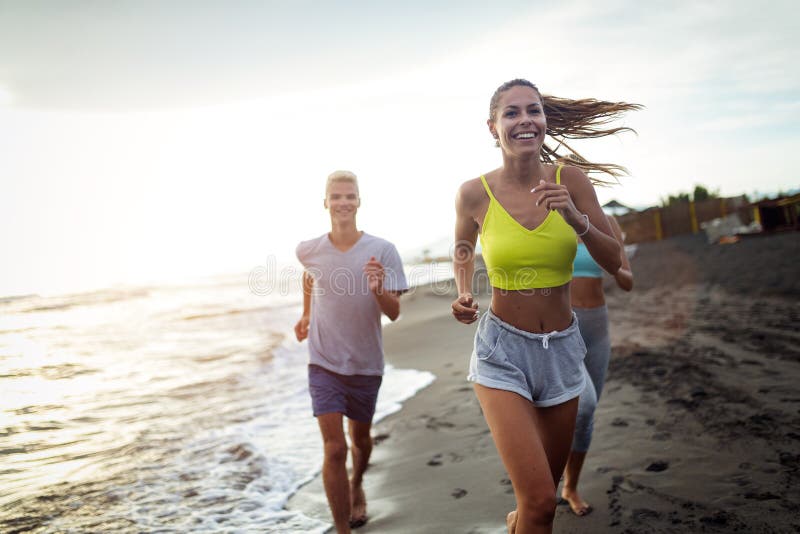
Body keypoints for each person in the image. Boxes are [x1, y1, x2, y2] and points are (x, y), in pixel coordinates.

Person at [451, 78, 639, 533]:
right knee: (537, 502)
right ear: (493, 128)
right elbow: (462, 248)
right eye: (511, 113)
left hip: (563, 351)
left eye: (533, 110)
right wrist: (462, 291)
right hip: (502, 351)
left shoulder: (571, 180)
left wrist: (577, 220)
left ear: (544, 121)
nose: (524, 120)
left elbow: (615, 261)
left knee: (540, 505)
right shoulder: (473, 193)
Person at [295, 170, 408, 533]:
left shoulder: (382, 250)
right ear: (325, 202)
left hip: (365, 364)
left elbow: (393, 311)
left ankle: (357, 483)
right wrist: (306, 314)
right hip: (323, 361)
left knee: (360, 442)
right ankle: (342, 528)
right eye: (336, 196)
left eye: (350, 196)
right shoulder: (308, 249)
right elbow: (310, 276)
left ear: (359, 201)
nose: (343, 202)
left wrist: (377, 287)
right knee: (334, 449)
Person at [560, 214, 633, 516]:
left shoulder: (607, 222)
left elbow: (627, 280)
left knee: (584, 417)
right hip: (564, 326)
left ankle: (570, 487)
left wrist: (614, 266)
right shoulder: (548, 217)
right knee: (582, 406)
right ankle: (542, 485)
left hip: (598, 328)